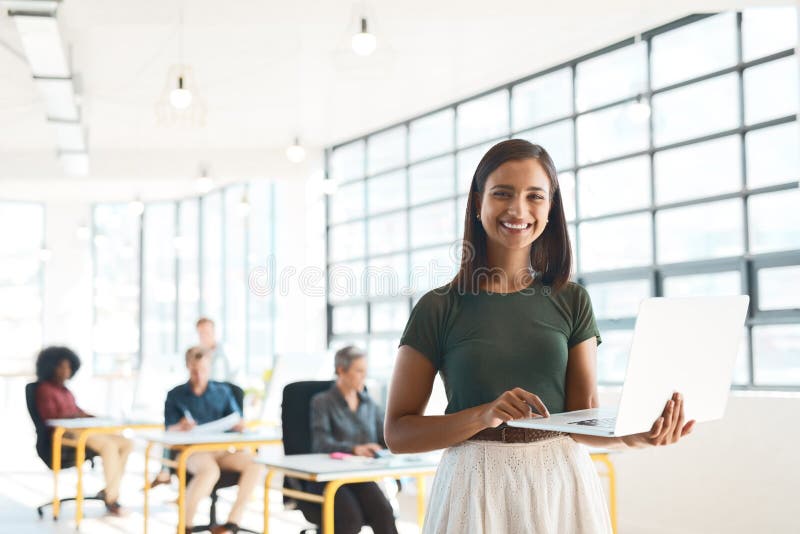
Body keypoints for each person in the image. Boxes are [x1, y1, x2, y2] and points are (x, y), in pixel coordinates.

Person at [384, 139, 695, 534]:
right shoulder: (439, 306)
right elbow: (398, 433)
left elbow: (582, 419)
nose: (518, 209)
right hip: (474, 490)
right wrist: (484, 414)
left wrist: (638, 437)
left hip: (560, 487)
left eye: (535, 196)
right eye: (502, 193)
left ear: (550, 208)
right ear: (478, 202)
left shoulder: (572, 300)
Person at [164, 346, 263, 534]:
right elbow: (168, 430)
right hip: (191, 452)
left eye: (203, 370)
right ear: (187, 367)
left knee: (255, 463)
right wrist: (180, 426)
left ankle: (231, 524)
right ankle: (184, 526)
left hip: (222, 450)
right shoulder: (175, 395)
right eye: (194, 370)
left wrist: (239, 425)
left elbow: (236, 419)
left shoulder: (223, 392)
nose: (199, 375)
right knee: (210, 471)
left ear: (209, 368)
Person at [308, 346, 398, 534]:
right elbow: (321, 444)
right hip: (329, 478)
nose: (363, 377)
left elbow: (386, 438)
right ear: (341, 370)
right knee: (350, 520)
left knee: (385, 513)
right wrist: (354, 448)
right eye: (359, 371)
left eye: (365, 371)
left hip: (359, 476)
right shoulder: (322, 402)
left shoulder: (369, 404)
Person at [34, 346, 133, 516]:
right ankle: (112, 498)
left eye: (69, 367)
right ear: (51, 367)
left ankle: (109, 490)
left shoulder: (65, 390)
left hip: (83, 429)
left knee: (125, 443)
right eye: (62, 367)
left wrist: (94, 417)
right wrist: (76, 418)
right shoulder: (44, 389)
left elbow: (76, 410)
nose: (66, 371)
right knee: (108, 446)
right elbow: (51, 418)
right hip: (64, 435)